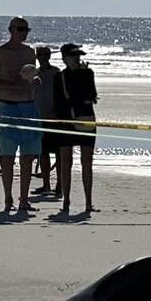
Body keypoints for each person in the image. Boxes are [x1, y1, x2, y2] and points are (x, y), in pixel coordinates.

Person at [0, 17, 42, 217]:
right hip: (7, 107)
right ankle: (8, 198)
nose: (23, 33)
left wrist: (34, 81)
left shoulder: (29, 52)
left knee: (28, 156)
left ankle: (23, 200)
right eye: (20, 29)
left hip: (28, 107)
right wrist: (9, 85)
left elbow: (30, 75)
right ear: (10, 30)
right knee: (7, 157)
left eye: (26, 29)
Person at [54, 43, 98, 216]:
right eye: (73, 56)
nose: (77, 59)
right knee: (65, 162)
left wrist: (76, 99)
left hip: (86, 118)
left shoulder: (88, 73)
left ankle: (88, 202)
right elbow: (58, 101)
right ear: (64, 58)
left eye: (78, 56)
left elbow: (91, 96)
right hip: (66, 121)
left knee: (87, 162)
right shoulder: (60, 76)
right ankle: (66, 200)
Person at [32, 44, 62, 198]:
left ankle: (60, 185)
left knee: (59, 153)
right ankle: (46, 185)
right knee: (42, 153)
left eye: (45, 54)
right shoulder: (32, 73)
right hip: (38, 117)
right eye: (40, 54)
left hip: (54, 118)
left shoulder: (56, 73)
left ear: (49, 56)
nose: (42, 57)